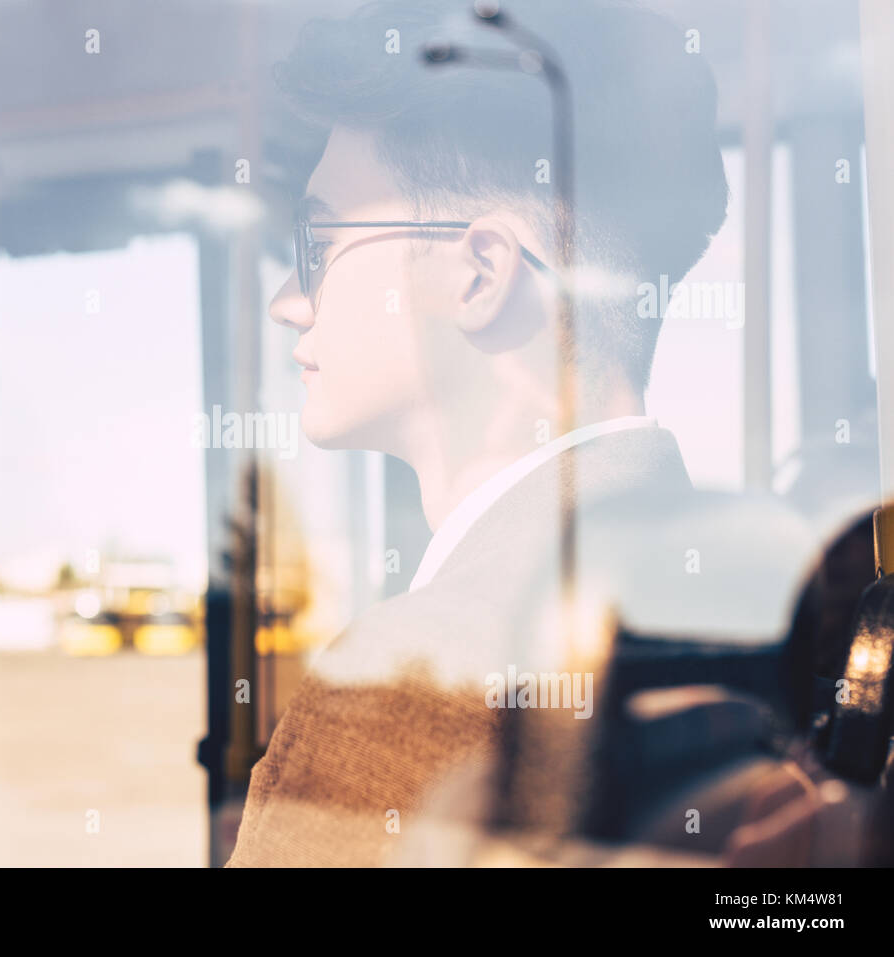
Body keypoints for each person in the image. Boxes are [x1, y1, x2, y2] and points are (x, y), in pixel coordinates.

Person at [227, 0, 739, 866]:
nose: (287, 300)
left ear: (479, 272)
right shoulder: (723, 609)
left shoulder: (412, 679)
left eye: (318, 241)